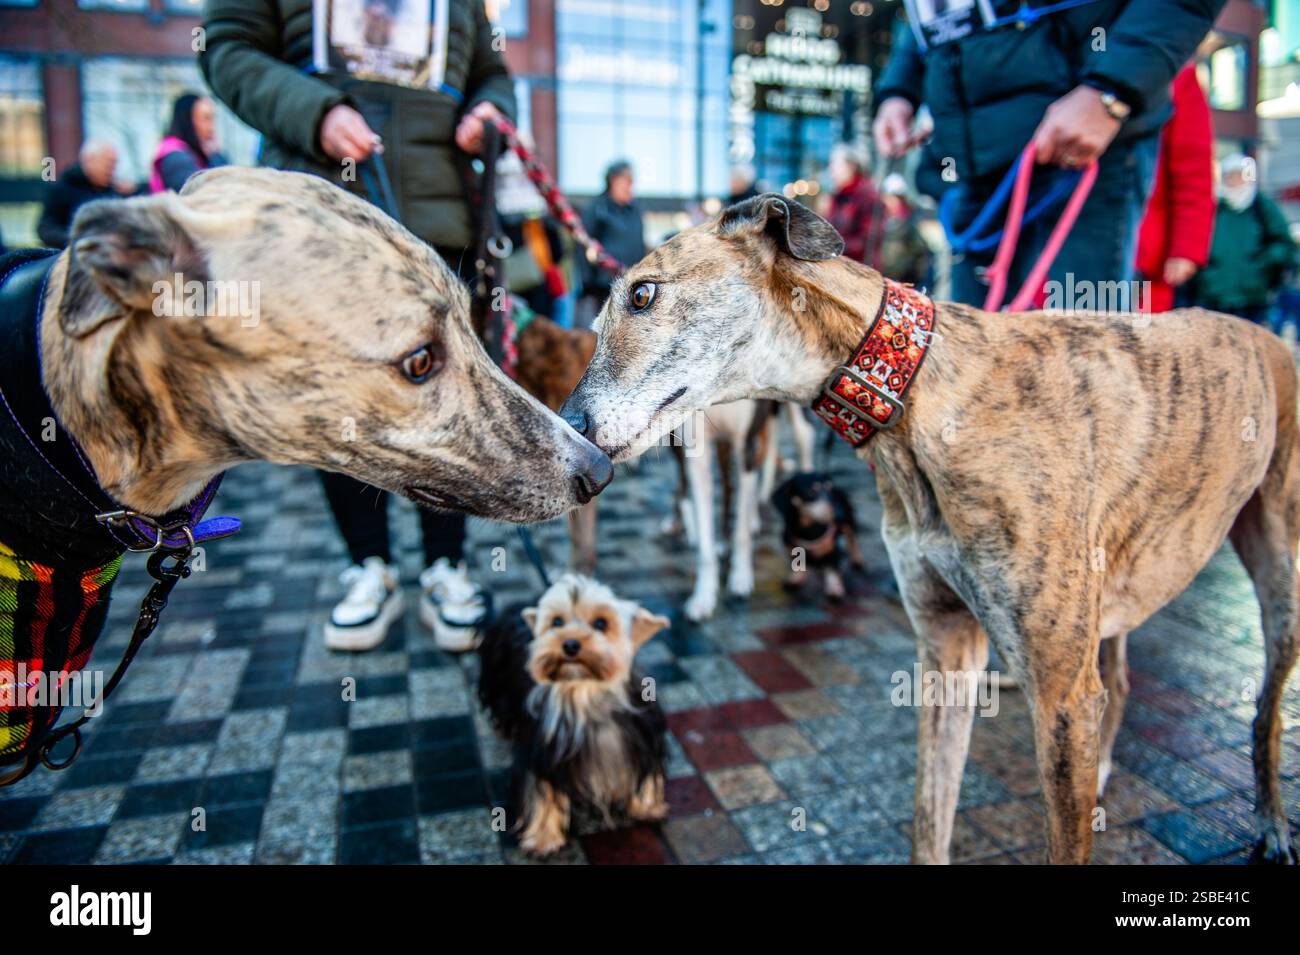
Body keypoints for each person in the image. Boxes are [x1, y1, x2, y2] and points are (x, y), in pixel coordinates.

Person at [200, 0, 515, 653]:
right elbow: (226, 46)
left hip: (445, 219)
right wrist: (314, 111)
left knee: (450, 402)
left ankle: (445, 564)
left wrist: (490, 110)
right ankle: (368, 563)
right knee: (340, 400)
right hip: (323, 219)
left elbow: (491, 69)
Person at [874, 1, 1226, 310]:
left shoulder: (1186, 83)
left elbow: (1192, 173)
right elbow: (935, 14)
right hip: (979, 164)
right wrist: (900, 89)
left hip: (1083, 153)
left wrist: (1110, 91)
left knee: (1080, 353)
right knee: (977, 354)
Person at [1134, 64, 1215, 313]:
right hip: (1058, 245)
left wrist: (1186, 249)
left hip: (1143, 257)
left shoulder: (1177, 75)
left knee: (1139, 341)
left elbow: (1194, 172)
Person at [1192, 154, 1297, 326]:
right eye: (1229, 175)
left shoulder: (1262, 207)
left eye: (1238, 175)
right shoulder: (1213, 207)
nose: (1234, 180)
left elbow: (1283, 244)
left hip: (1252, 297)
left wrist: (1261, 265)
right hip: (1214, 295)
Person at [578, 160, 644, 326]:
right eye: (627, 181)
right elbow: (583, 244)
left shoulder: (635, 209)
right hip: (604, 287)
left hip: (632, 283)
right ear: (614, 180)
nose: (630, 186)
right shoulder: (597, 209)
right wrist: (588, 282)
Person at [37, 141, 135, 249]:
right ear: (89, 160)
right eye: (107, 163)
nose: (112, 170)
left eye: (114, 164)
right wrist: (77, 242)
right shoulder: (63, 188)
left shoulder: (115, 191)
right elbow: (46, 228)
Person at [151, 93, 228, 193]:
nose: (211, 127)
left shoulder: (192, 152)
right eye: (206, 118)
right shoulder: (176, 158)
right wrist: (215, 155)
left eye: (213, 119)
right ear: (187, 120)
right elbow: (205, 194)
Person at [825, 143, 881, 266]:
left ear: (850, 166)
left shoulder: (867, 195)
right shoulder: (840, 196)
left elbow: (868, 241)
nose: (831, 169)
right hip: (843, 267)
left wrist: (831, 247)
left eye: (835, 164)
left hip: (860, 271)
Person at [877, 173, 932, 288]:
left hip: (905, 282)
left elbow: (919, 255)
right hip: (884, 279)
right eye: (888, 197)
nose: (890, 201)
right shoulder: (880, 221)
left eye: (894, 197)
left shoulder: (911, 223)